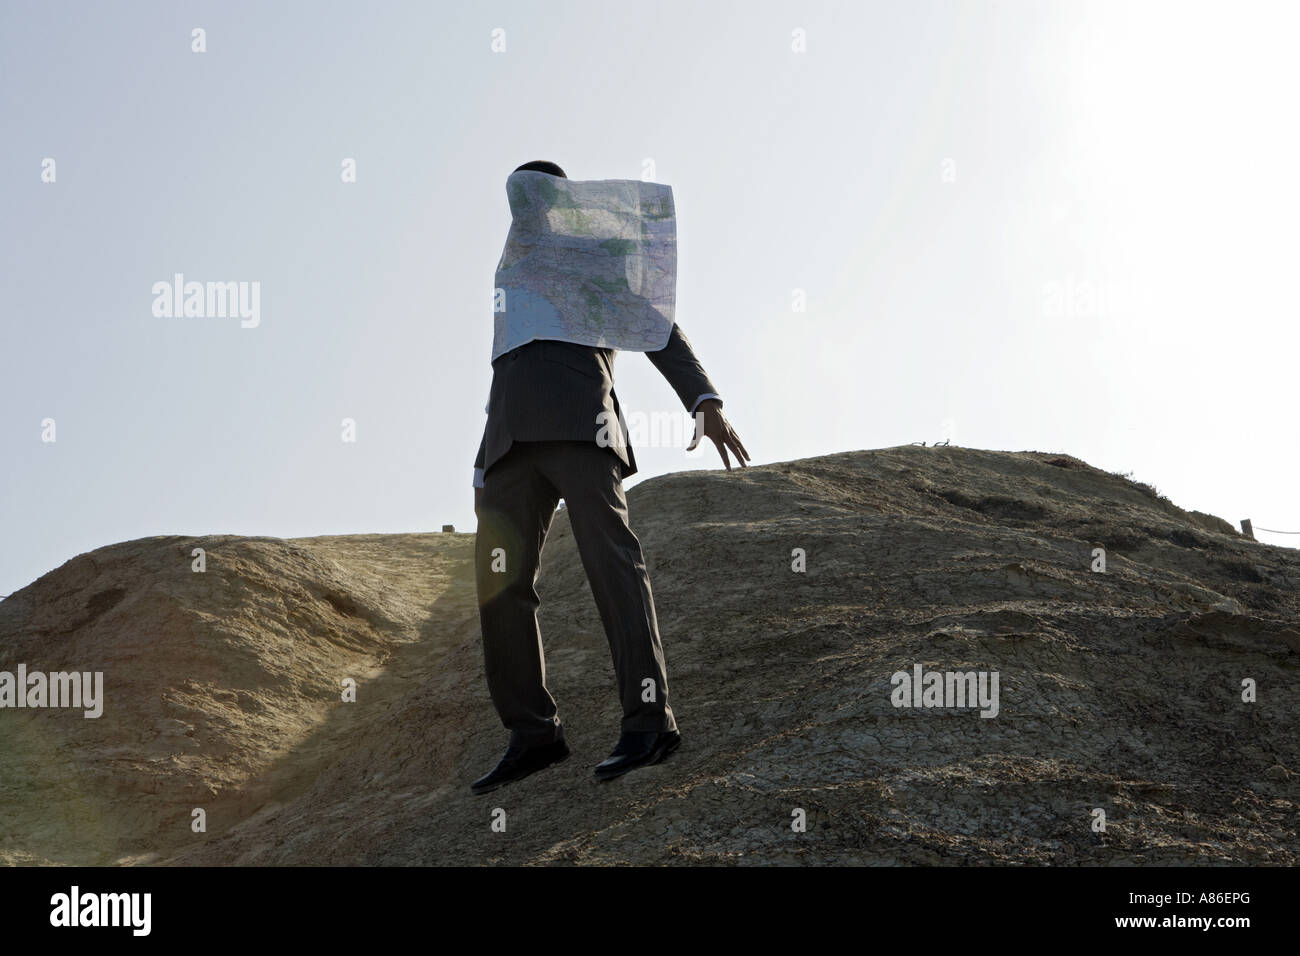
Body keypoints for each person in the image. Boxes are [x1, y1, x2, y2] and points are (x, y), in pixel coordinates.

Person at [470, 160, 749, 794]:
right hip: (508, 445)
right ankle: (533, 733)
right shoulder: (510, 271)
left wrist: (704, 399)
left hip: (581, 428)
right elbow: (503, 367)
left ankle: (650, 722)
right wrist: (481, 461)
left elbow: (656, 325)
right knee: (498, 586)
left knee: (612, 566)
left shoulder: (591, 260)